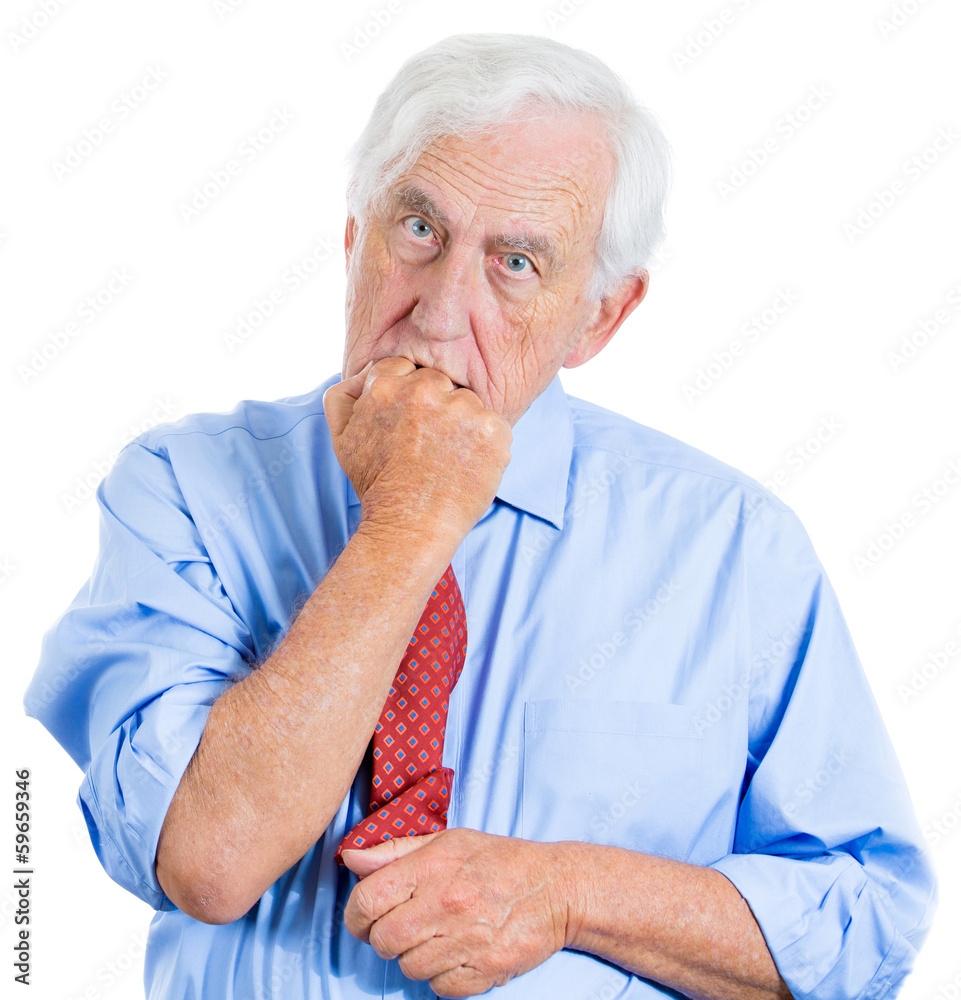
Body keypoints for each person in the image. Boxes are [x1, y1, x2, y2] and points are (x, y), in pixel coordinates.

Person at [25, 33, 935, 1000]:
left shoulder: (733, 547)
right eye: (418, 229)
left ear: (599, 318)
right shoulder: (183, 487)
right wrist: (409, 521)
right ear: (352, 239)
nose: (440, 310)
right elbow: (208, 857)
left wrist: (573, 893)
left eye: (514, 262)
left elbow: (863, 922)